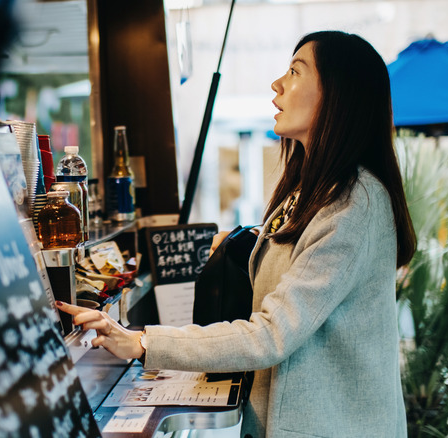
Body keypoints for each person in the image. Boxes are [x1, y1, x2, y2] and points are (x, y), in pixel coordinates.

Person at [57, 30, 416, 438]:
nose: (276, 84)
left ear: (337, 96)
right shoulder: (311, 190)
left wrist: (141, 342)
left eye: (295, 71)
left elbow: (271, 333)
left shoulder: (354, 203)